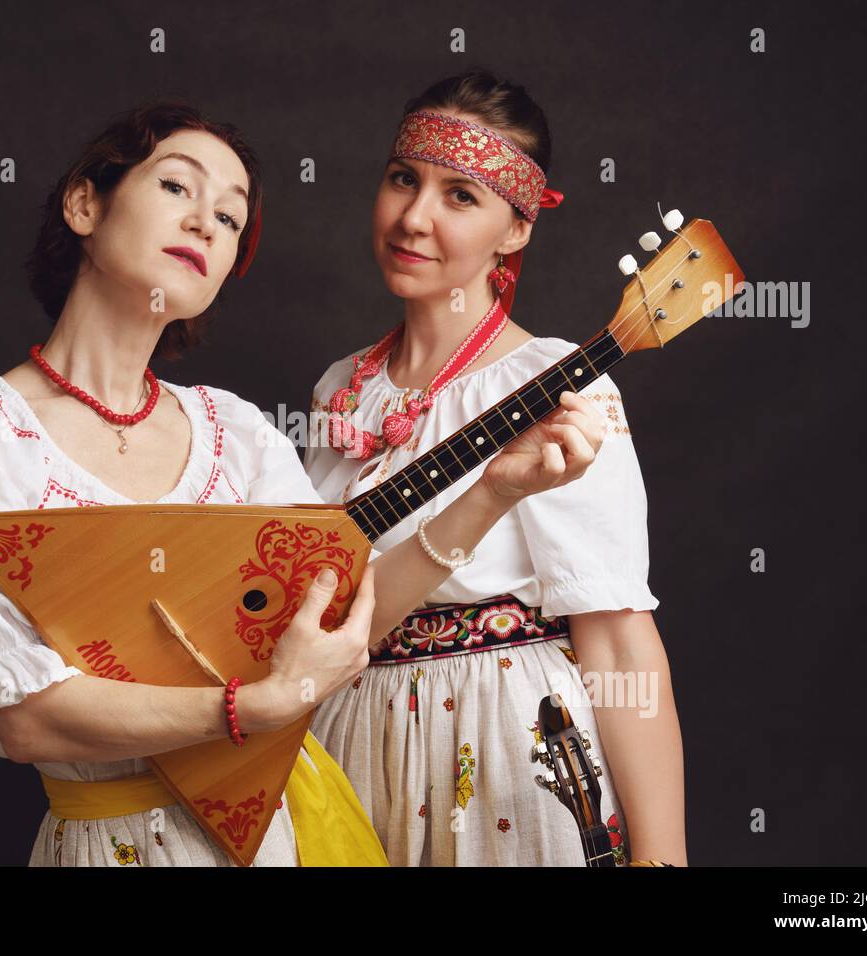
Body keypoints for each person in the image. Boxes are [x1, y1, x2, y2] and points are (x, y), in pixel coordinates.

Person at [0, 99, 609, 867]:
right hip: (110, 844)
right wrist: (256, 706)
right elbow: (27, 719)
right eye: (178, 187)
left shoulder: (233, 432)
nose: (207, 223)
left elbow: (344, 613)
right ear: (84, 202)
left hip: (281, 838)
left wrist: (492, 493)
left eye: (232, 218)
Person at [304, 69, 688, 867]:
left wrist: (663, 859)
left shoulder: (552, 383)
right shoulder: (342, 389)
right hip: (345, 748)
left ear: (516, 231)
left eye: (461, 196)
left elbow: (617, 643)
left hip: (502, 747)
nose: (413, 217)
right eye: (404, 179)